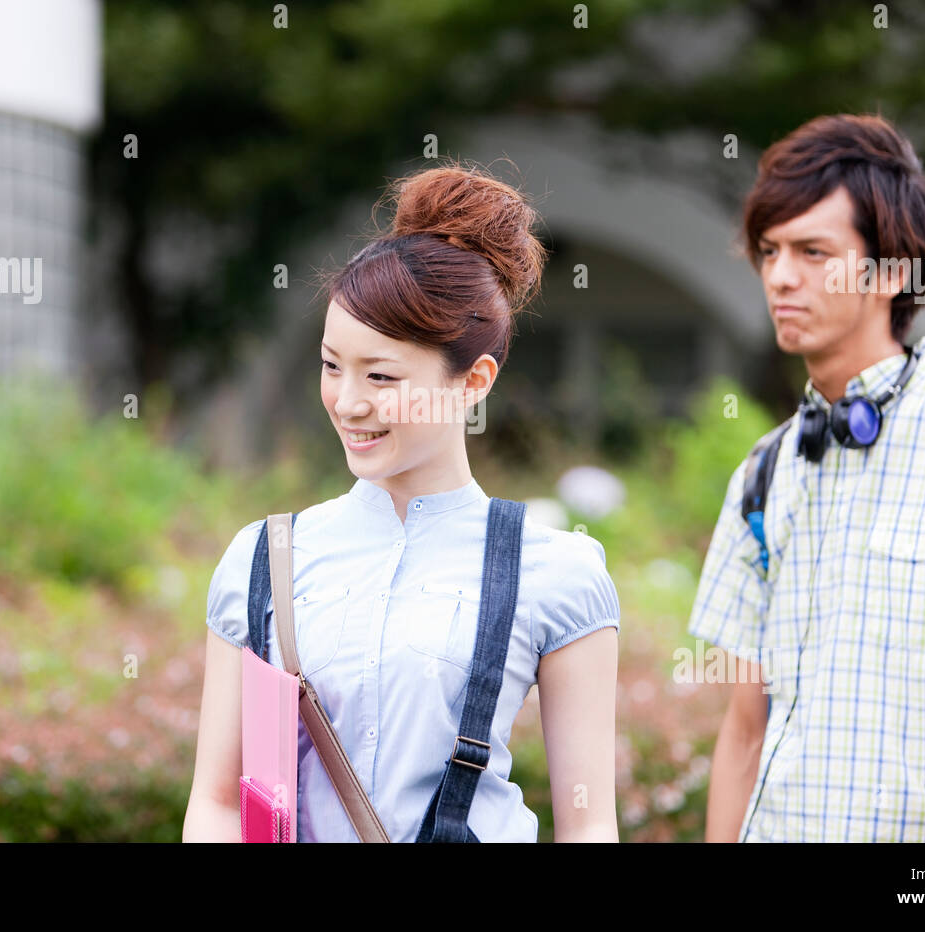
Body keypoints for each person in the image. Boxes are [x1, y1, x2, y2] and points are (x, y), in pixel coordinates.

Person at [184, 162, 621, 842]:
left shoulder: (556, 572)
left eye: (381, 376)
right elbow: (216, 803)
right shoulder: (266, 560)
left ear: (473, 380)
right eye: (332, 366)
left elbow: (588, 825)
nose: (349, 402)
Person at [689, 113, 925, 842]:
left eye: (813, 251)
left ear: (893, 270)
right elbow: (744, 727)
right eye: (769, 250)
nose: (779, 275)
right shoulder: (763, 471)